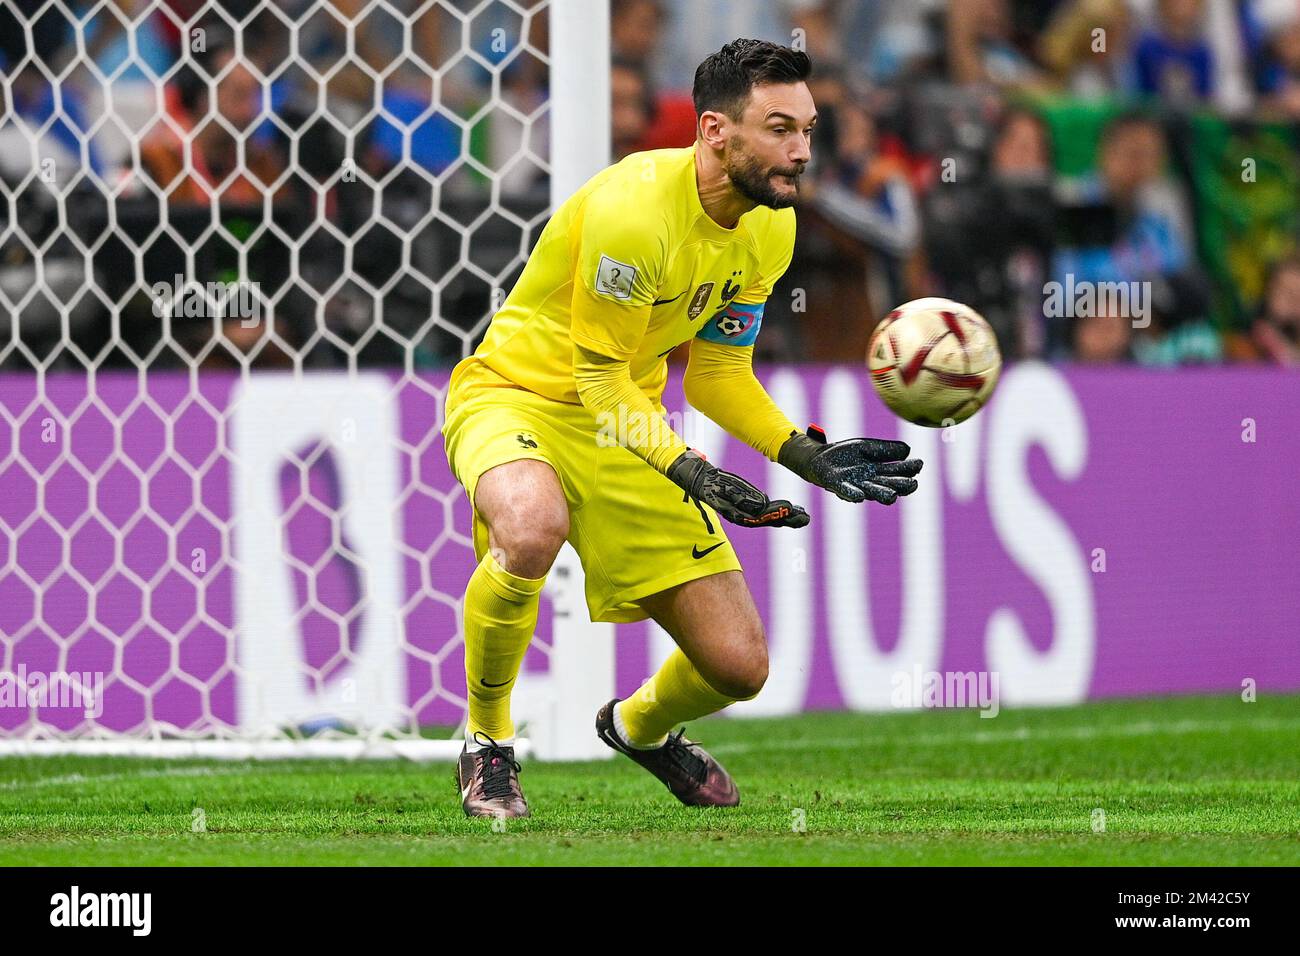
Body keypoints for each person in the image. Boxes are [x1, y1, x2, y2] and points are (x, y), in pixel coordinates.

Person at [440, 39, 922, 818]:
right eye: (779, 129)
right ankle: (488, 744)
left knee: (738, 667)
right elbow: (595, 377)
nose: (801, 151)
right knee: (529, 527)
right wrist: (697, 472)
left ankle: (637, 728)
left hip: (625, 425)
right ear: (714, 132)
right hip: (516, 398)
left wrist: (805, 453)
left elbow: (717, 375)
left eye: (807, 128)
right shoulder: (636, 211)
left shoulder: (771, 228)